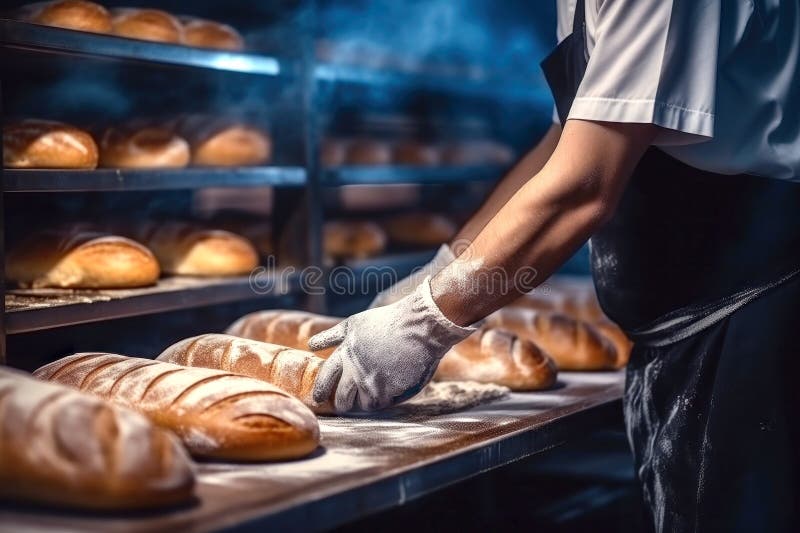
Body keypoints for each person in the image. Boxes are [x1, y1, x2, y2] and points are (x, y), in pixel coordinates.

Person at [309, 1, 800, 531]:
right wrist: (441, 268)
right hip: (680, 329)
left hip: (759, 319)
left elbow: (581, 187)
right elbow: (563, 146)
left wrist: (423, 321)